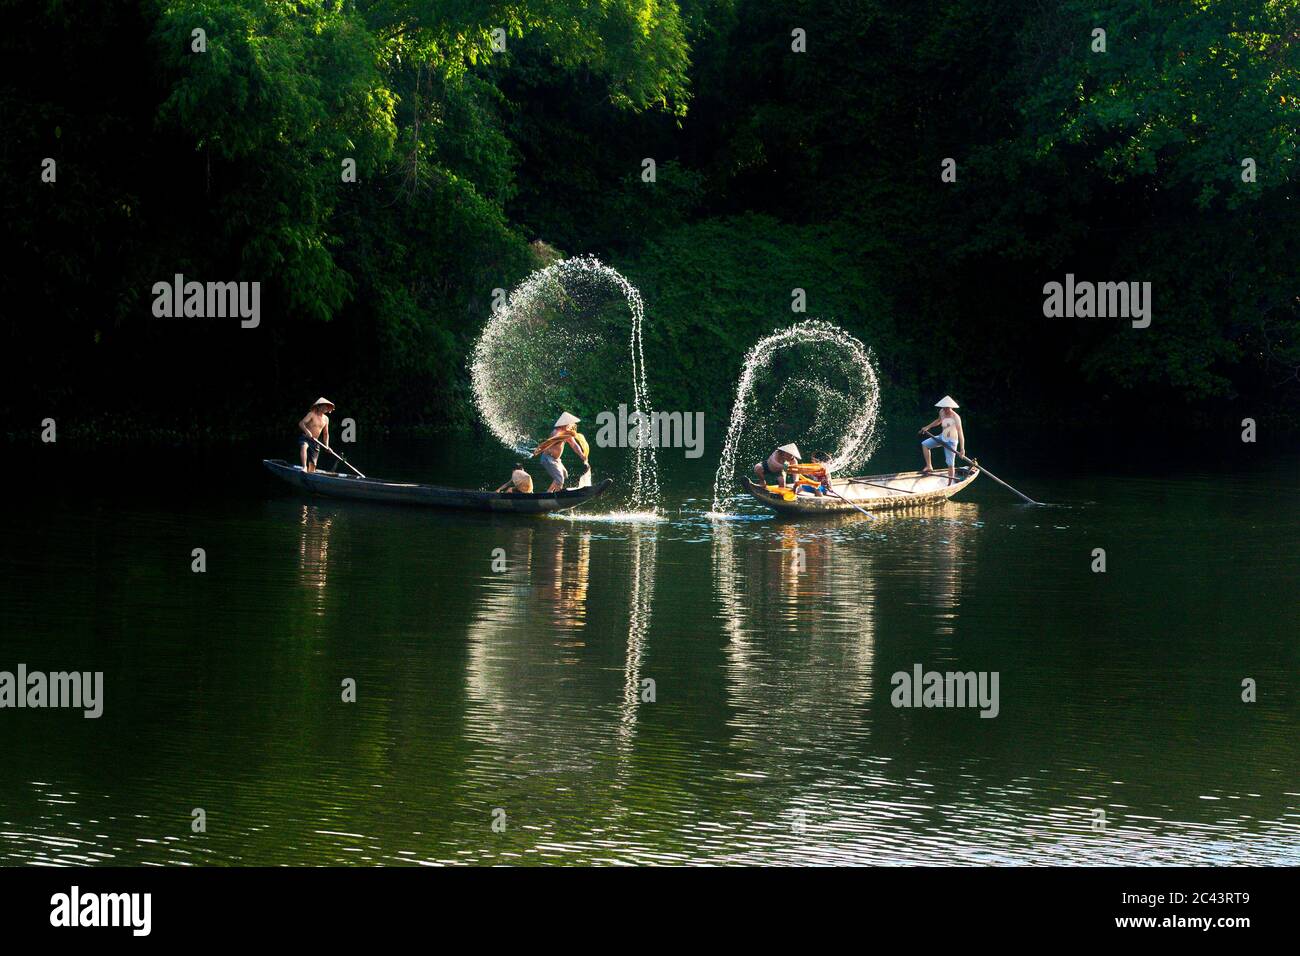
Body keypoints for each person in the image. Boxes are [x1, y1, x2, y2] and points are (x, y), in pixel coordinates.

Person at [533, 412, 590, 492]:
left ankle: (549, 492)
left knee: (564, 474)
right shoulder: (556, 432)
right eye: (569, 424)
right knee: (560, 479)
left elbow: (574, 445)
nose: (571, 425)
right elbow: (550, 442)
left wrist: (582, 455)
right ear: (565, 424)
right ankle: (554, 496)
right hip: (548, 458)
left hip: (556, 460)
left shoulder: (566, 433)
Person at [919, 395, 966, 481]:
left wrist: (962, 448)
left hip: (951, 441)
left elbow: (960, 433)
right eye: (944, 407)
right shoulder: (942, 412)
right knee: (924, 444)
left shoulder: (956, 417)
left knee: (950, 464)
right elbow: (938, 421)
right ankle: (929, 466)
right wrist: (927, 427)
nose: (945, 409)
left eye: (947, 407)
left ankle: (949, 483)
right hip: (942, 437)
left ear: (951, 407)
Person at [297, 397, 334, 472]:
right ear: (319, 406)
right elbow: (301, 423)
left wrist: (326, 446)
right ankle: (304, 467)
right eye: (324, 406)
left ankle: (310, 471)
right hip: (306, 438)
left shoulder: (326, 419)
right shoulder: (311, 414)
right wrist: (307, 431)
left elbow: (326, 434)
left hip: (315, 442)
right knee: (304, 446)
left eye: (327, 406)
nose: (326, 408)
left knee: (312, 468)